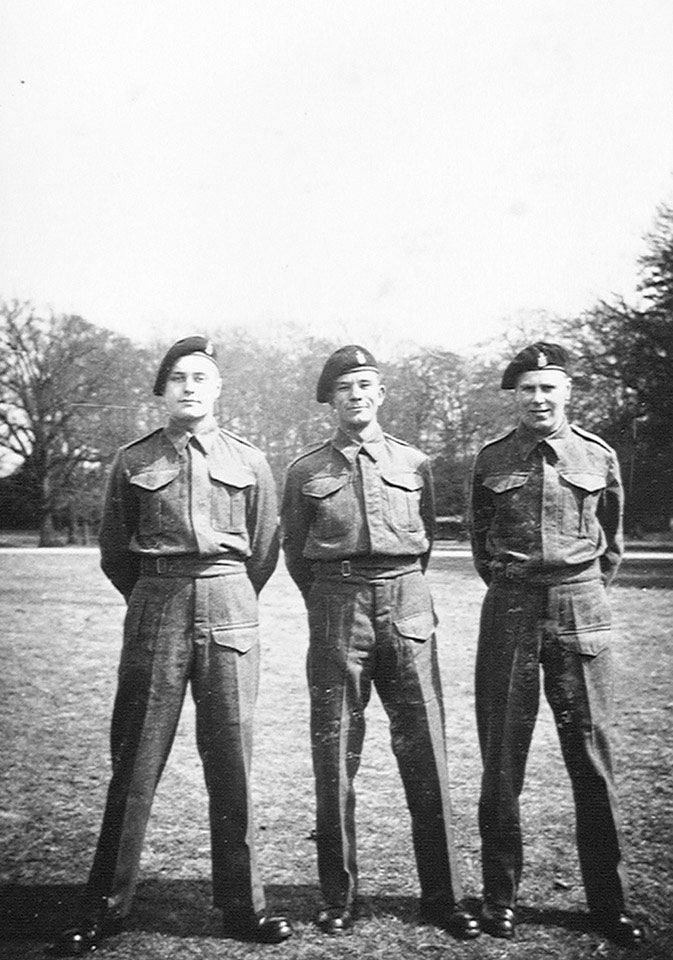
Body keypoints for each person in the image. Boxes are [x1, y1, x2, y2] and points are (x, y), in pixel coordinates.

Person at [50, 335, 292, 955]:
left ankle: (244, 907)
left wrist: (225, 593)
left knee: (231, 758)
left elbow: (263, 550)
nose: (190, 387)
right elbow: (114, 551)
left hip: (230, 605)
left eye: (201, 378)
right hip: (156, 604)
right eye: (178, 378)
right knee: (134, 759)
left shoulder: (252, 460)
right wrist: (158, 594)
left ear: (218, 389)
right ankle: (106, 905)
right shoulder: (133, 460)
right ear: (162, 390)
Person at [280, 345, 479, 940]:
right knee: (335, 751)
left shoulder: (416, 463)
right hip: (339, 607)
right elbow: (294, 550)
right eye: (345, 388)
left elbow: (424, 546)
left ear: (381, 394)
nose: (357, 395)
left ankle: (444, 896)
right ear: (331, 401)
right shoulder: (304, 470)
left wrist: (398, 589)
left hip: (408, 604)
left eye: (367, 384)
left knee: (426, 750)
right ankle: (338, 895)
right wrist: (333, 601)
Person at [468, 341, 644, 947]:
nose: (538, 399)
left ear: (567, 392)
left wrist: (577, 587)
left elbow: (610, 542)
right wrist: (520, 587)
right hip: (511, 609)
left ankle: (609, 902)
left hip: (580, 607)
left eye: (549, 388)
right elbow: (480, 544)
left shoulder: (597, 455)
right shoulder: (492, 459)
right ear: (513, 396)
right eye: (527, 390)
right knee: (502, 762)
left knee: (592, 760)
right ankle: (500, 898)